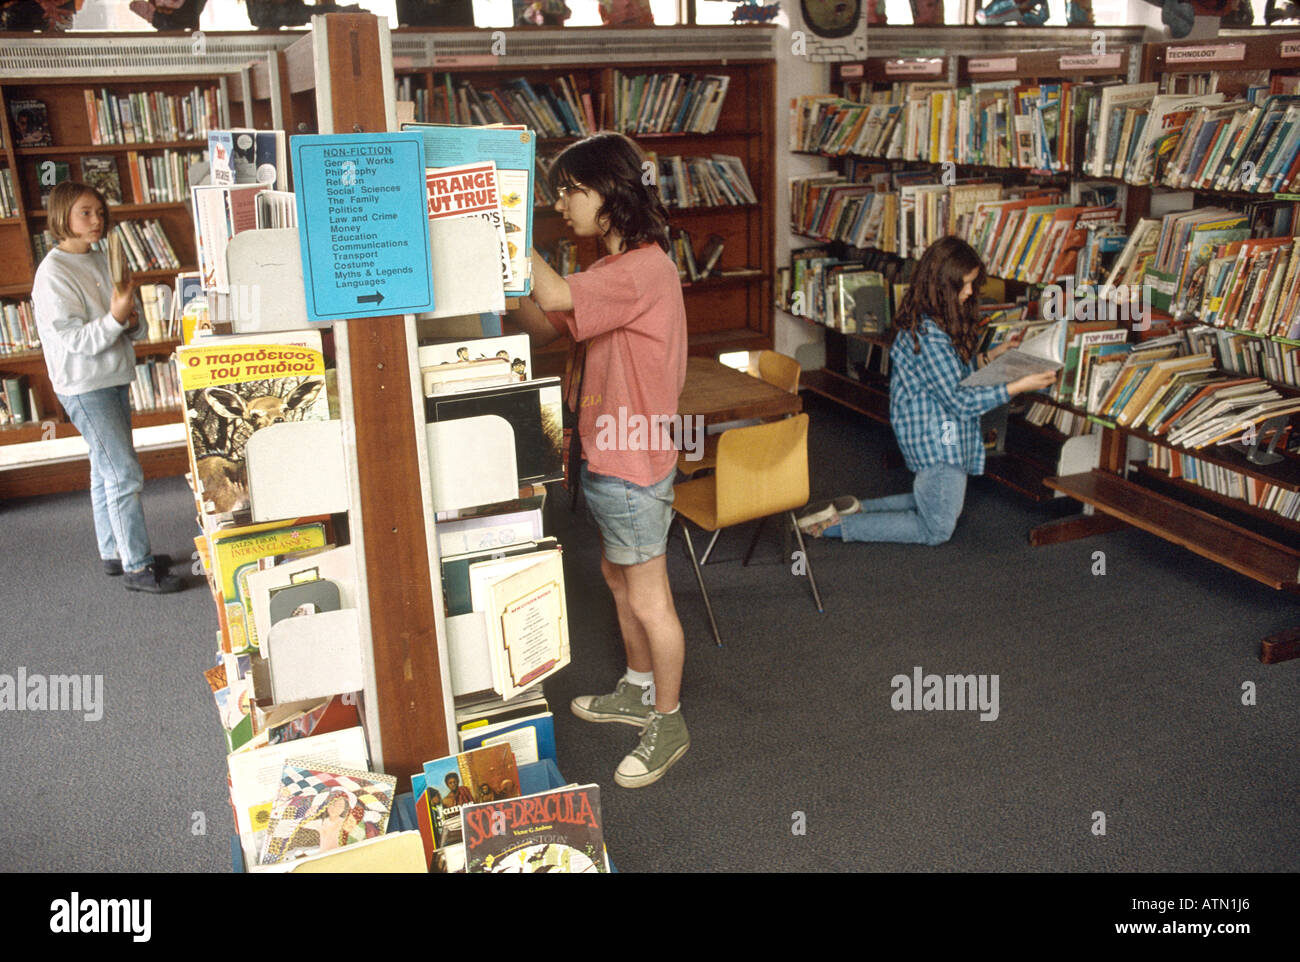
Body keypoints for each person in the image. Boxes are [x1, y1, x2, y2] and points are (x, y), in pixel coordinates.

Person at [507, 131, 690, 789]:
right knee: (619, 580)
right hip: (608, 455)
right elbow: (543, 321)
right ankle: (638, 688)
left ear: (610, 193)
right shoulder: (611, 272)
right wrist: (503, 279)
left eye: (570, 190)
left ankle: (668, 721)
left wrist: (497, 224)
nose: (561, 204)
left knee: (650, 596)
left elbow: (555, 297)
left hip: (633, 461)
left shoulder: (644, 269)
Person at [799, 235, 1058, 545]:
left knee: (936, 502)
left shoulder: (928, 324)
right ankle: (836, 528)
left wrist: (991, 356)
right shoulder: (930, 336)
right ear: (941, 286)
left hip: (935, 434)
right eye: (963, 286)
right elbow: (960, 401)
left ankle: (854, 510)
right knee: (935, 530)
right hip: (940, 440)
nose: (969, 292)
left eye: (972, 284)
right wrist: (1017, 386)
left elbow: (951, 376)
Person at [31, 182, 181, 593]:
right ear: (63, 217)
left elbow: (132, 325)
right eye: (85, 213)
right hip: (84, 385)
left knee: (105, 468)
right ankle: (137, 567)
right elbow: (76, 340)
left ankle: (115, 552)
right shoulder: (53, 273)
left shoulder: (100, 258)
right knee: (123, 472)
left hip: (114, 375)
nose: (97, 220)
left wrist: (128, 320)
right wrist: (116, 319)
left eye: (99, 212)